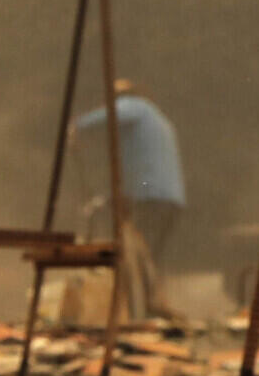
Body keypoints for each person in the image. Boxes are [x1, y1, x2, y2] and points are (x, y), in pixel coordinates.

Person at [72, 79, 183, 318]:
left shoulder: (138, 108)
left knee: (137, 254)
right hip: (168, 197)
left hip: (152, 195)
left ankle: (143, 312)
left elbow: (112, 114)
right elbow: (139, 167)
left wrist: (78, 125)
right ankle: (152, 309)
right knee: (148, 255)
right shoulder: (156, 122)